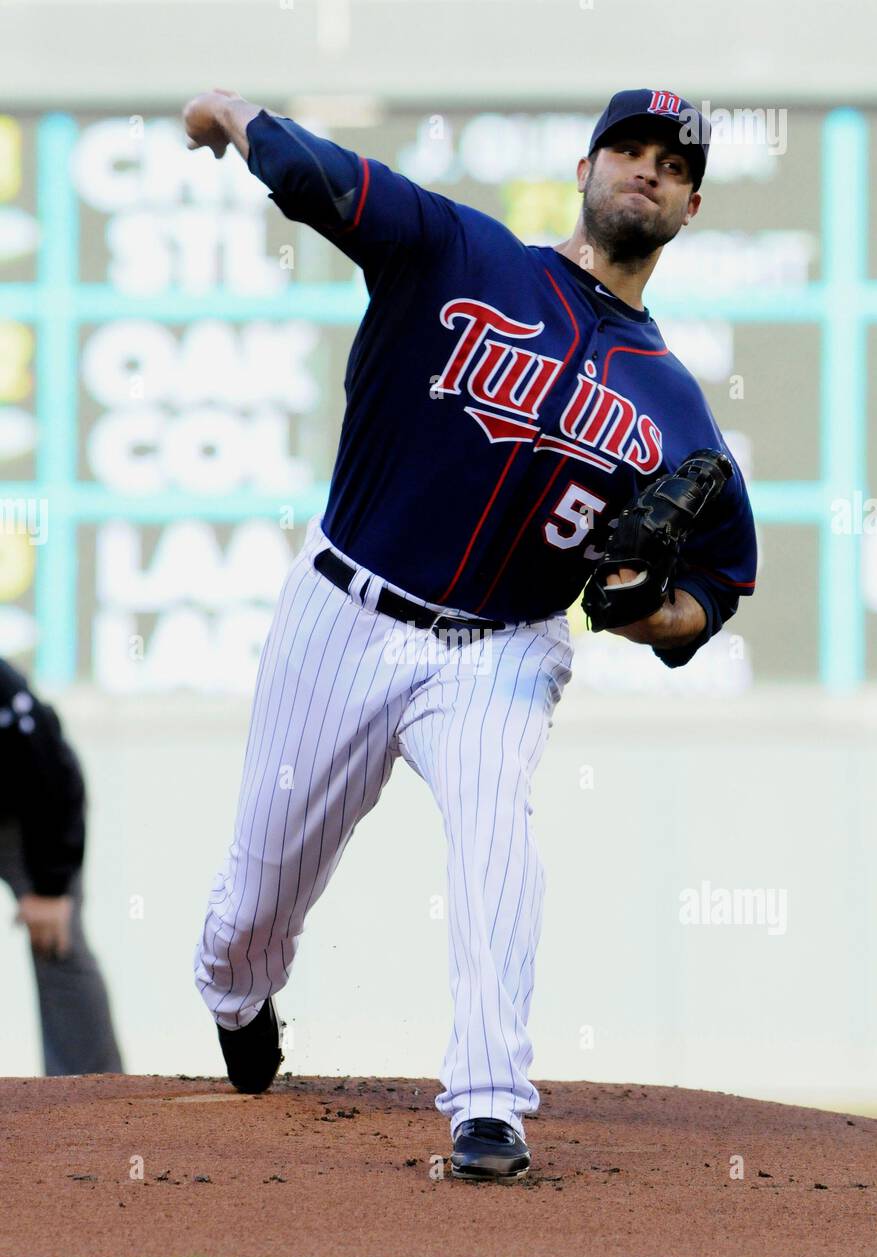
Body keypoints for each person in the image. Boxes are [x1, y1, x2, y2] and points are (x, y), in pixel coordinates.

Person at [183, 86, 756, 1181]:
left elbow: (715, 588)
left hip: (501, 648)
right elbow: (319, 179)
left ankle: (488, 1101)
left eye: (670, 162)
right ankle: (234, 984)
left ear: (688, 205)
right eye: (626, 147)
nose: (646, 167)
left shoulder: (678, 413)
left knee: (497, 835)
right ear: (583, 171)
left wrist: (646, 610)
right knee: (255, 900)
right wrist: (232, 112)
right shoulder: (460, 251)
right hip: (344, 608)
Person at [0, 658, 123, 1076]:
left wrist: (51, 889)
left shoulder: (8, 698)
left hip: (27, 812)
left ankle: (90, 1095)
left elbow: (50, 770)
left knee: (56, 942)